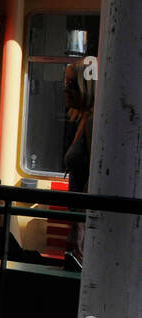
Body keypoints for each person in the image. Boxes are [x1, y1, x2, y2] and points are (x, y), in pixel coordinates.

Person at [63, 59, 95, 266]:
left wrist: (80, 227)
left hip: (85, 226)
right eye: (65, 83)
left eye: (72, 84)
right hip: (78, 220)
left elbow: (93, 177)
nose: (66, 90)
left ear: (87, 87)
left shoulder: (93, 122)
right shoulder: (83, 119)